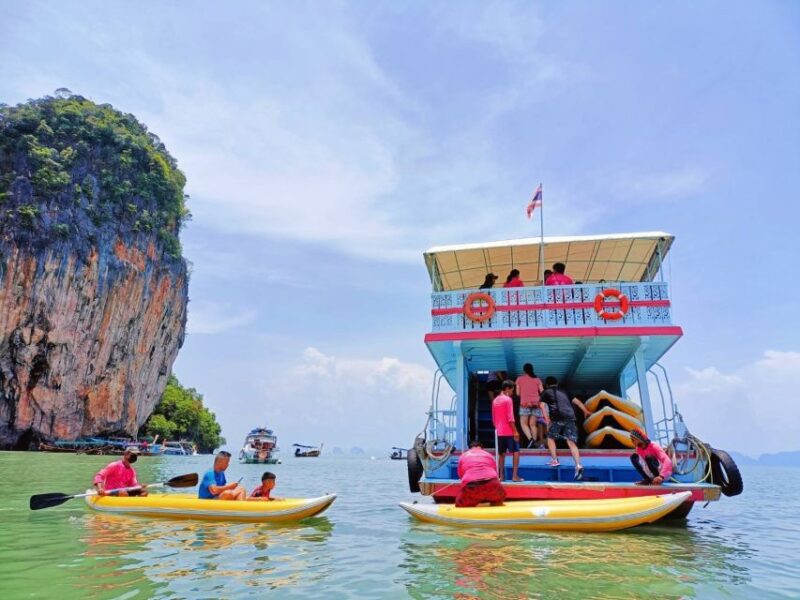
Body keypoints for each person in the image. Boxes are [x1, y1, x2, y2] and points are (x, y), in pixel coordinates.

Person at [540, 376, 591, 480]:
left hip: (557, 417)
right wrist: (585, 411)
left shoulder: (546, 392)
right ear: (557, 383)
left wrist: (546, 418)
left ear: (546, 384)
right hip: (570, 417)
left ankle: (555, 459)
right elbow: (578, 402)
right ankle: (578, 465)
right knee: (571, 442)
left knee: (550, 437)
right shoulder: (565, 392)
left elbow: (541, 405)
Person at [455, 440, 506, 507]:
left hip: (472, 485)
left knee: (459, 505)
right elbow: (495, 474)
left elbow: (460, 475)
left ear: (470, 448)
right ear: (482, 448)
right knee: (499, 499)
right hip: (492, 483)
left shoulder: (464, 455)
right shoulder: (489, 455)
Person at [492, 379, 523, 482]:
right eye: (512, 390)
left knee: (501, 454)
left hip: (499, 432)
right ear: (507, 389)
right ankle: (514, 476)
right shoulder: (508, 400)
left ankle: (501, 476)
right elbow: (510, 418)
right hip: (509, 431)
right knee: (516, 452)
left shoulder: (495, 400)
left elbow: (494, 419)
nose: (512, 393)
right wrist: (515, 431)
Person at [516, 363, 544, 448]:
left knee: (523, 423)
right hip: (536, 403)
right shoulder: (537, 379)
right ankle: (534, 442)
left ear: (524, 370)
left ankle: (531, 439)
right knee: (533, 424)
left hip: (525, 404)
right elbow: (542, 391)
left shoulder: (519, 379)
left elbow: (517, 393)